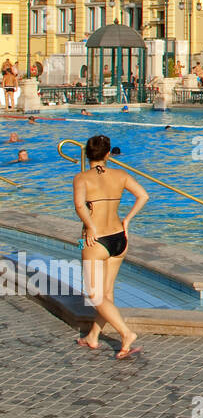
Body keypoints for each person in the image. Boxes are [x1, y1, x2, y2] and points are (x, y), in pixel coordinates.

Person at [73, 134, 149, 359]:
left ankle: (126, 333)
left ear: (87, 154)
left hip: (95, 240)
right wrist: (127, 220)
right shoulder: (121, 174)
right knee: (106, 294)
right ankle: (93, 337)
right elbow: (143, 196)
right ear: (108, 154)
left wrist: (90, 226)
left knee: (95, 296)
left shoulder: (82, 178)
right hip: (119, 238)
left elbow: (79, 205)